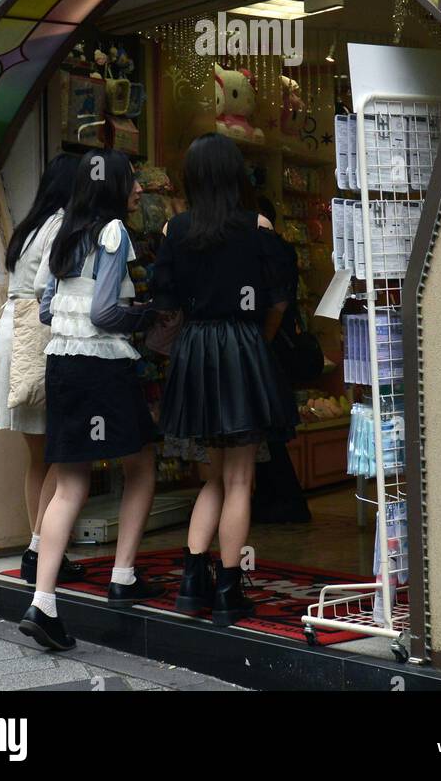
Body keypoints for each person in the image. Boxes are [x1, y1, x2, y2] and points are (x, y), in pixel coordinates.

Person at [151, 133, 298, 626]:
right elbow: (278, 297)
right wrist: (258, 339)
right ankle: (230, 588)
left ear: (192, 178)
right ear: (237, 176)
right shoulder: (257, 227)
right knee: (239, 478)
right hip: (241, 347)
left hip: (195, 350)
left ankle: (193, 582)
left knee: (213, 476)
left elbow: (165, 303)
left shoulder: (175, 230)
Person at [20, 149, 161, 652]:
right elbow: (104, 312)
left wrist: (73, 316)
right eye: (132, 181)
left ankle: (44, 602)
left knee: (69, 485)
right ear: (111, 189)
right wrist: (144, 316)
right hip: (102, 366)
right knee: (141, 465)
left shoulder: (60, 231)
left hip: (62, 362)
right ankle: (122, 574)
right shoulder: (113, 233)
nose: (139, 189)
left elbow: (44, 308)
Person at [0, 152, 86, 586]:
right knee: (62, 451)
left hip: (12, 334)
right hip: (36, 338)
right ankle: (41, 550)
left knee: (38, 456)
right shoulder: (61, 224)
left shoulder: (29, 226)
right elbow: (50, 287)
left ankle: (36, 546)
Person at [252, 197, 312, 525]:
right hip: (274, 347)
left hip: (271, 348)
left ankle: (284, 500)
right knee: (268, 429)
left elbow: (277, 304)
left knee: (267, 430)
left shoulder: (271, 249)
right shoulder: (282, 249)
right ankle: (276, 499)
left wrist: (262, 341)